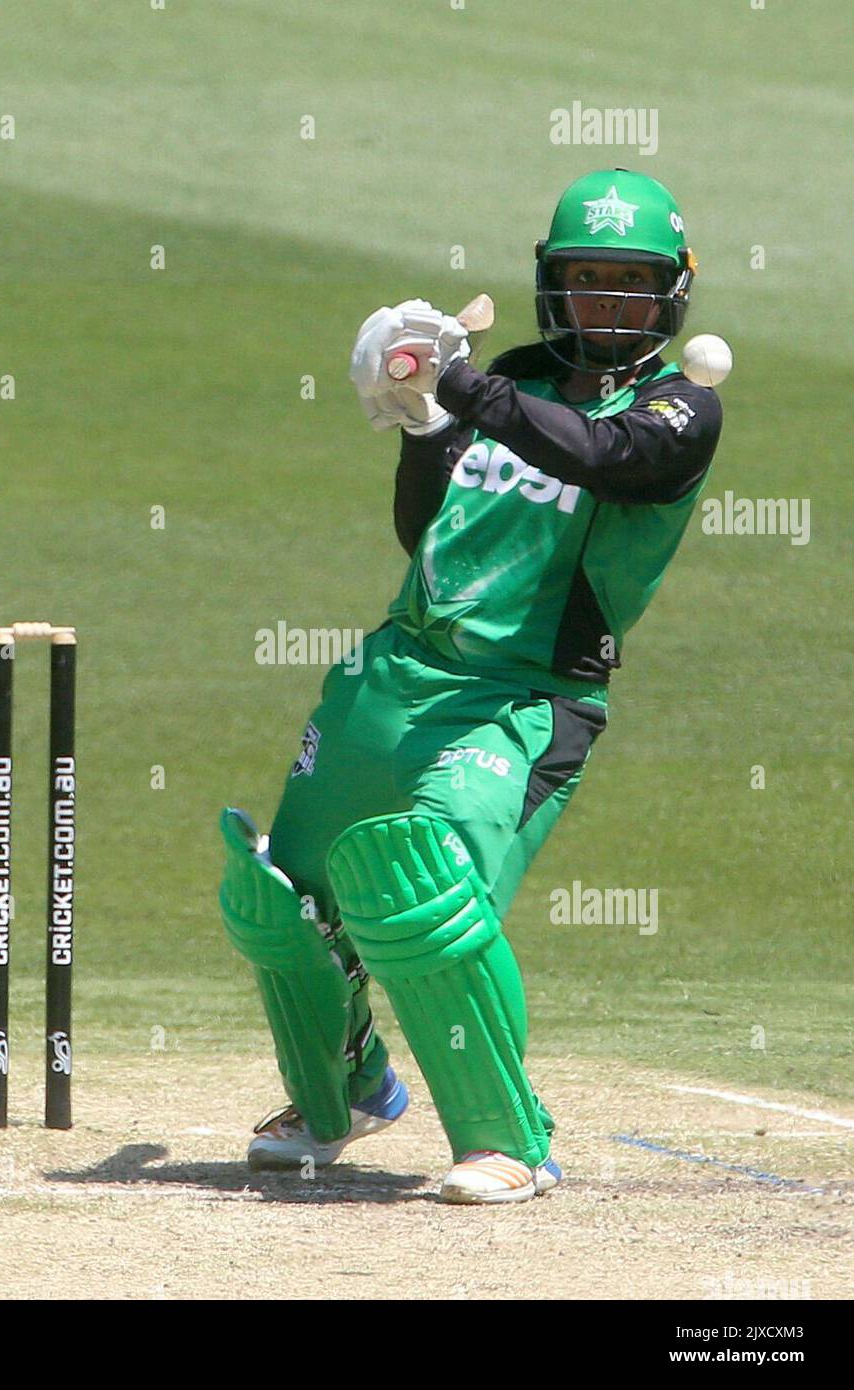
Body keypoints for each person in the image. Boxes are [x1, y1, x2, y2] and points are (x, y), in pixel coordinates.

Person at [218, 168, 723, 1204]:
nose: (607, 306)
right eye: (586, 282)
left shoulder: (679, 409)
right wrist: (416, 421)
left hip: (525, 696)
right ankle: (343, 1092)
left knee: (425, 888)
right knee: (285, 896)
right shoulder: (512, 379)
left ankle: (509, 1138)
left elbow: (599, 454)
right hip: (397, 666)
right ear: (550, 285)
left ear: (672, 294)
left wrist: (460, 388)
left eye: (630, 286)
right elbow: (427, 532)